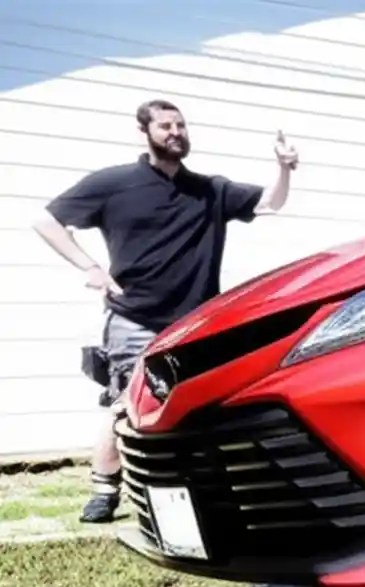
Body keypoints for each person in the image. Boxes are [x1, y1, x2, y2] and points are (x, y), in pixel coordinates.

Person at [31, 98, 299, 523]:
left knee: (199, 406)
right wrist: (91, 266)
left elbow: (270, 203)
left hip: (196, 325)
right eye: (165, 126)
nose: (175, 132)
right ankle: (104, 491)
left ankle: (197, 486)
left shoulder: (209, 189)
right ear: (144, 132)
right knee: (124, 404)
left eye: (180, 125)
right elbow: (47, 221)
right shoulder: (114, 184)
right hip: (134, 317)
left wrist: (284, 169)